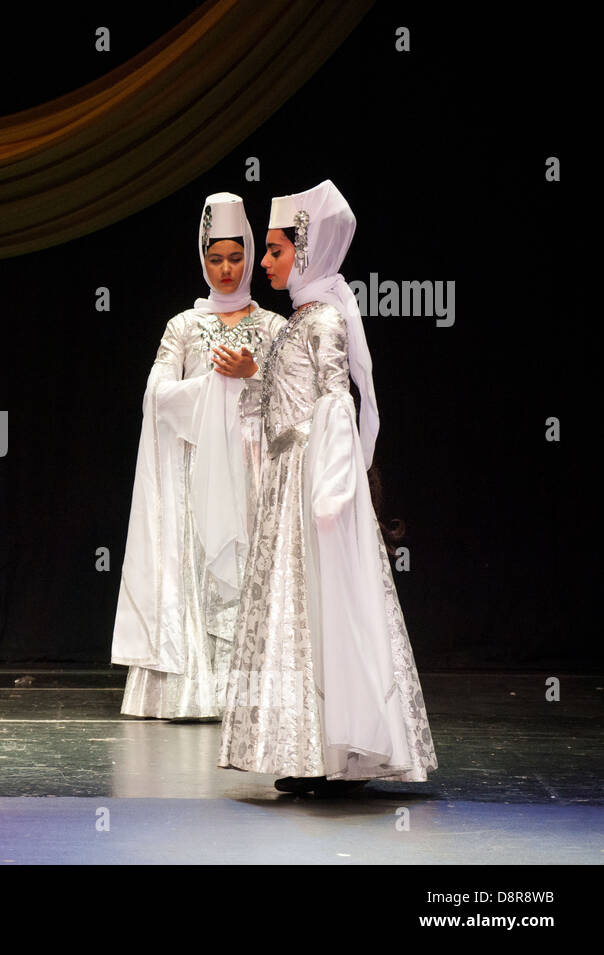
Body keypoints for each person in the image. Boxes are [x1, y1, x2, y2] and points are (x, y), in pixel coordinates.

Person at [217, 180, 436, 794]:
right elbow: (284, 398)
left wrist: (333, 489)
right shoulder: (300, 322)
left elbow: (336, 404)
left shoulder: (325, 322)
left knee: (327, 609)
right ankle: (315, 753)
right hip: (292, 480)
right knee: (297, 614)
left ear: (306, 254)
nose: (264, 262)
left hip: (316, 483)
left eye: (274, 250)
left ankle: (342, 752)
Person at [113, 193, 286, 719]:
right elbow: (155, 395)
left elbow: (293, 395)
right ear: (202, 260)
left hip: (255, 472)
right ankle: (197, 690)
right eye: (216, 259)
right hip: (196, 473)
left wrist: (251, 374)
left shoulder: (276, 328)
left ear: (250, 253)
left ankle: (254, 693)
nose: (227, 269)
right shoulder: (184, 328)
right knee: (200, 571)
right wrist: (214, 385)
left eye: (236, 257)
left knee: (250, 567)